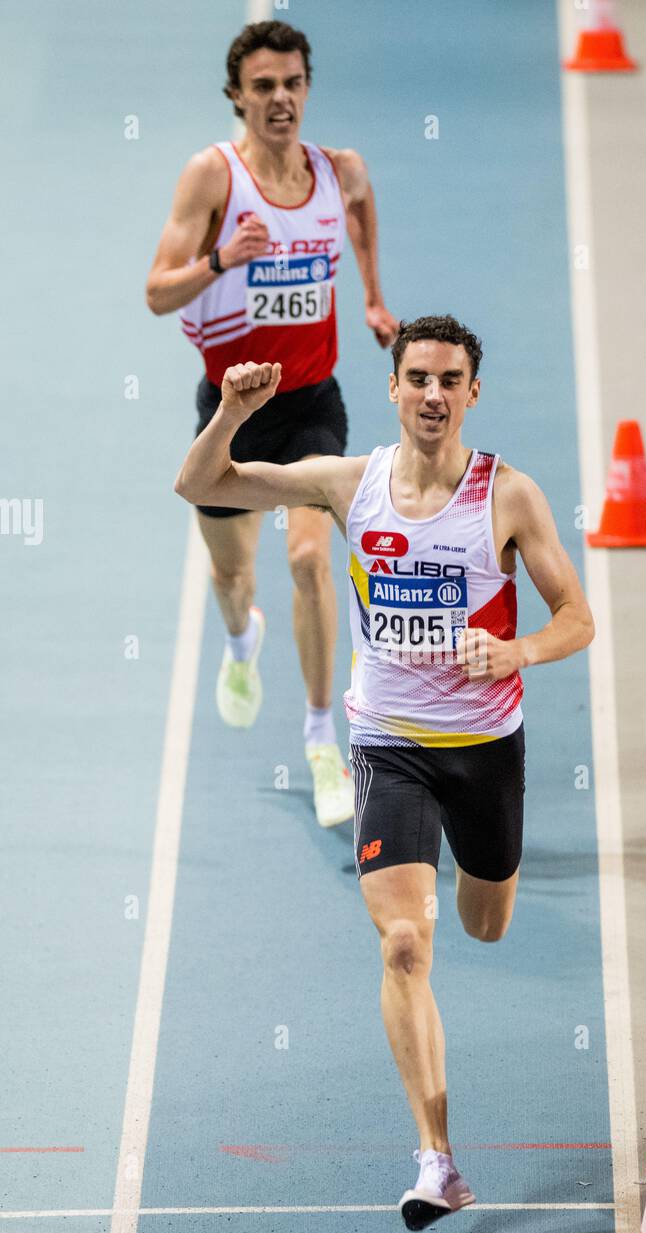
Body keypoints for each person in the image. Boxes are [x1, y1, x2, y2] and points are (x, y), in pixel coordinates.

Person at [174, 316, 596, 1230]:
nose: (434, 395)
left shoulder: (508, 496)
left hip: (485, 752)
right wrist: (234, 414)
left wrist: (516, 650)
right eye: (418, 379)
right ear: (395, 390)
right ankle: (437, 1160)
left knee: (485, 925)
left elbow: (578, 619)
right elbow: (200, 482)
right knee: (406, 942)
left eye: (451, 380)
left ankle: (481, 886)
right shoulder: (347, 482)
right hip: (389, 747)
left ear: (471, 394)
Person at [146, 19, 398, 828]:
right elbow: (157, 291)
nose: (280, 98)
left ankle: (324, 739)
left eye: (292, 83)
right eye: (263, 86)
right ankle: (240, 640)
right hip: (230, 412)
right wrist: (225, 259)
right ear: (237, 97)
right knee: (233, 578)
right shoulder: (210, 179)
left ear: (307, 88)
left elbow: (359, 209)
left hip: (311, 405)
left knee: (307, 561)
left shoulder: (339, 169)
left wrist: (370, 294)